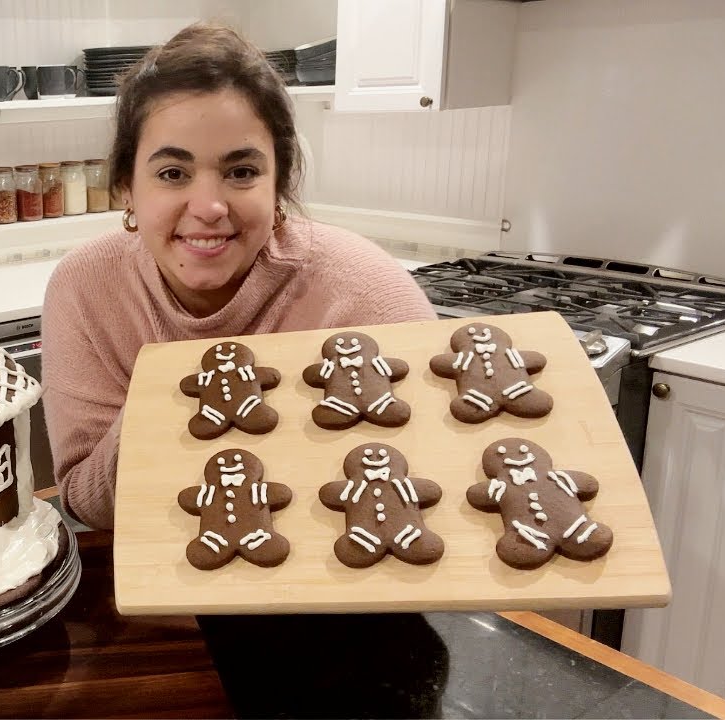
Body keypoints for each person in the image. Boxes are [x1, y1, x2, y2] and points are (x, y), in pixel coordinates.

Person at [40, 22, 448, 719]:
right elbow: (87, 500)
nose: (209, 206)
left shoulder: (364, 290)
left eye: (240, 170)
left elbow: (434, 472)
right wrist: (172, 396)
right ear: (126, 190)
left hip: (349, 636)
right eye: (172, 173)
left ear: (279, 182)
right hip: (156, 636)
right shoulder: (86, 288)